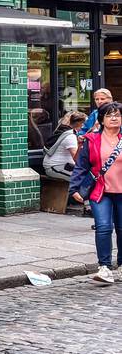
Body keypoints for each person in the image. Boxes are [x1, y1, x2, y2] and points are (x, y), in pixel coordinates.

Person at [70, 101, 122, 284]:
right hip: (100, 191)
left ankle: (121, 265)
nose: (114, 118)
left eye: (117, 114)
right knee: (103, 227)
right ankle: (105, 268)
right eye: (109, 115)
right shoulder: (92, 140)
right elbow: (81, 165)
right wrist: (74, 188)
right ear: (101, 119)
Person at [43, 111, 86, 182]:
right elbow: (77, 159)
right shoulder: (70, 136)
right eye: (86, 124)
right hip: (55, 167)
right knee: (82, 180)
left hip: (67, 165)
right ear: (81, 124)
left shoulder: (69, 132)